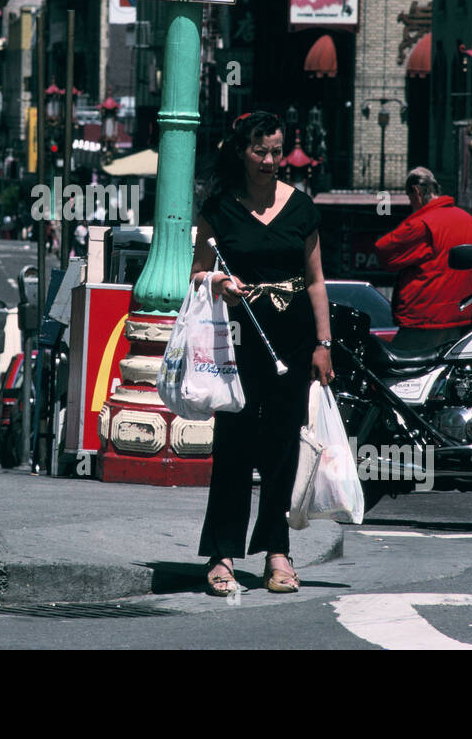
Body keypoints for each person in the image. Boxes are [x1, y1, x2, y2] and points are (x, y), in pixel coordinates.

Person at [190, 110, 334, 597]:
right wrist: (219, 282)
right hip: (237, 343)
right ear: (241, 152)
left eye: (277, 151)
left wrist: (323, 344)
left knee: (282, 449)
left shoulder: (302, 208)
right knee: (232, 446)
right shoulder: (219, 208)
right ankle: (222, 555)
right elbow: (196, 274)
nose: (271, 160)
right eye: (261, 151)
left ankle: (278, 553)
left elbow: (316, 281)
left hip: (292, 344)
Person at [374, 166, 472, 351]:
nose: (410, 204)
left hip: (424, 319)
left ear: (416, 191)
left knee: (398, 372)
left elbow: (384, 250)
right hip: (459, 318)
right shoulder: (467, 220)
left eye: (409, 198)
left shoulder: (423, 224)